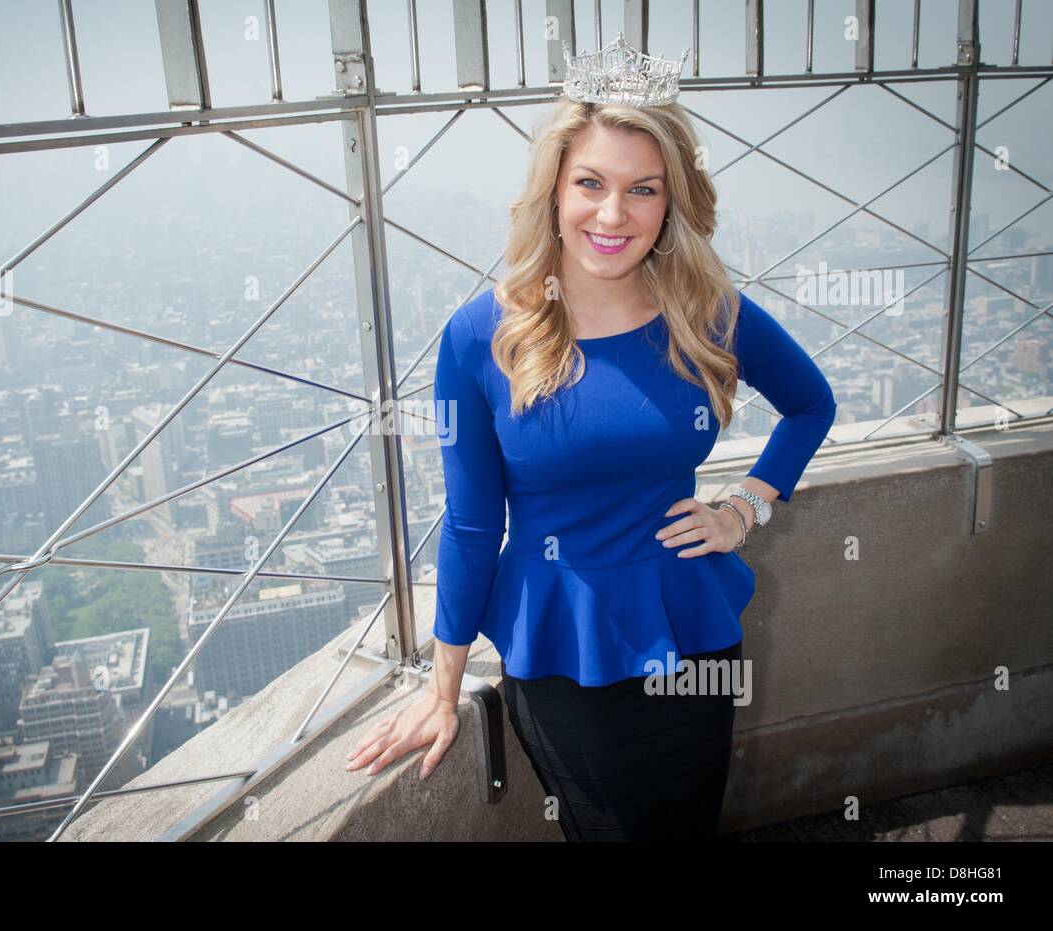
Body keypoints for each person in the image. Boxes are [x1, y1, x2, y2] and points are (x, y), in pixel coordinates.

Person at [346, 35, 837, 841]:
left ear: (672, 202)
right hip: (560, 644)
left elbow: (810, 404)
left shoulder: (705, 309)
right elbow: (473, 526)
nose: (613, 215)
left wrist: (745, 507)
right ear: (554, 189)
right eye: (591, 183)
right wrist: (442, 689)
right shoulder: (482, 335)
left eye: (643, 190)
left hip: (691, 629)